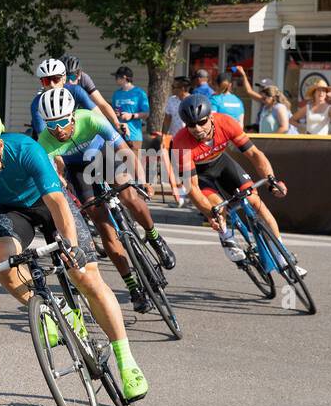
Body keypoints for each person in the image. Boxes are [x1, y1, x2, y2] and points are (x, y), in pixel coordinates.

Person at [0, 106, 150, 401]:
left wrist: (70, 246)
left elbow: (57, 202)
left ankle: (126, 361)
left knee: (86, 276)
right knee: (1, 260)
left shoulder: (26, 149)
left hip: (47, 202)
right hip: (12, 212)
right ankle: (52, 310)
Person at [35, 86, 176, 317]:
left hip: (103, 155)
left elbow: (124, 150)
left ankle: (154, 237)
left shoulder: (90, 119)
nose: (58, 130)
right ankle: (133, 287)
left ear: (72, 115)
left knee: (129, 194)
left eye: (62, 122)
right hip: (78, 171)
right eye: (51, 124)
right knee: (104, 227)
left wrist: (141, 179)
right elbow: (53, 180)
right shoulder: (45, 141)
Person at [170, 95, 293, 266]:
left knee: (255, 202)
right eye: (191, 124)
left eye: (202, 122)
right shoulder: (180, 143)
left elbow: (254, 154)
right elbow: (192, 188)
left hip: (222, 163)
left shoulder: (226, 122)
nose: (197, 128)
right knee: (217, 209)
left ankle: (282, 257)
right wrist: (209, 213)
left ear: (211, 117)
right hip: (201, 175)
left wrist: (271, 180)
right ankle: (226, 236)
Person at [60, 55, 127, 135]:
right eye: (67, 78)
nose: (70, 82)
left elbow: (102, 103)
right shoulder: (56, 82)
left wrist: (116, 124)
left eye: (73, 77)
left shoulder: (84, 79)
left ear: (79, 75)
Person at [160, 76, 192, 206]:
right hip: (175, 138)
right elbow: (167, 119)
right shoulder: (171, 101)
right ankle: (181, 196)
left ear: (183, 89)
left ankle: (190, 195)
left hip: (190, 139)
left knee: (188, 169)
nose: (172, 89)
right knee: (176, 168)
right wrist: (163, 135)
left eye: (175, 87)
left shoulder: (192, 100)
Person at [110, 66, 149, 155]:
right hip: (119, 136)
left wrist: (131, 115)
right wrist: (116, 114)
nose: (115, 79)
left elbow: (146, 114)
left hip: (134, 136)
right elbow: (114, 111)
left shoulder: (140, 93)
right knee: (119, 167)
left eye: (117, 77)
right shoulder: (117, 94)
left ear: (124, 78)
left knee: (133, 166)